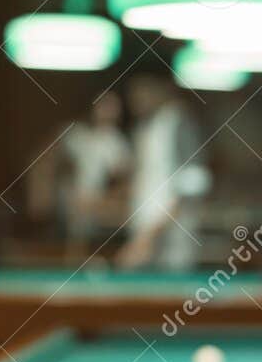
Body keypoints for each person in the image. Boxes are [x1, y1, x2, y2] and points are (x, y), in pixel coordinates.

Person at [117, 75, 211, 270]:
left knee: (174, 283)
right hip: (146, 231)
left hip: (174, 233)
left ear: (160, 90)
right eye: (133, 93)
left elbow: (193, 184)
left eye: (143, 90)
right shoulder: (145, 127)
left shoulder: (180, 122)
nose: (137, 99)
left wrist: (149, 235)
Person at [28, 91, 133, 252]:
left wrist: (102, 200)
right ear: (94, 107)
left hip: (98, 204)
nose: (109, 111)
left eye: (114, 107)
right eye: (104, 105)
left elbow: (123, 181)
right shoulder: (74, 133)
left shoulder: (117, 142)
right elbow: (44, 161)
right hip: (67, 201)